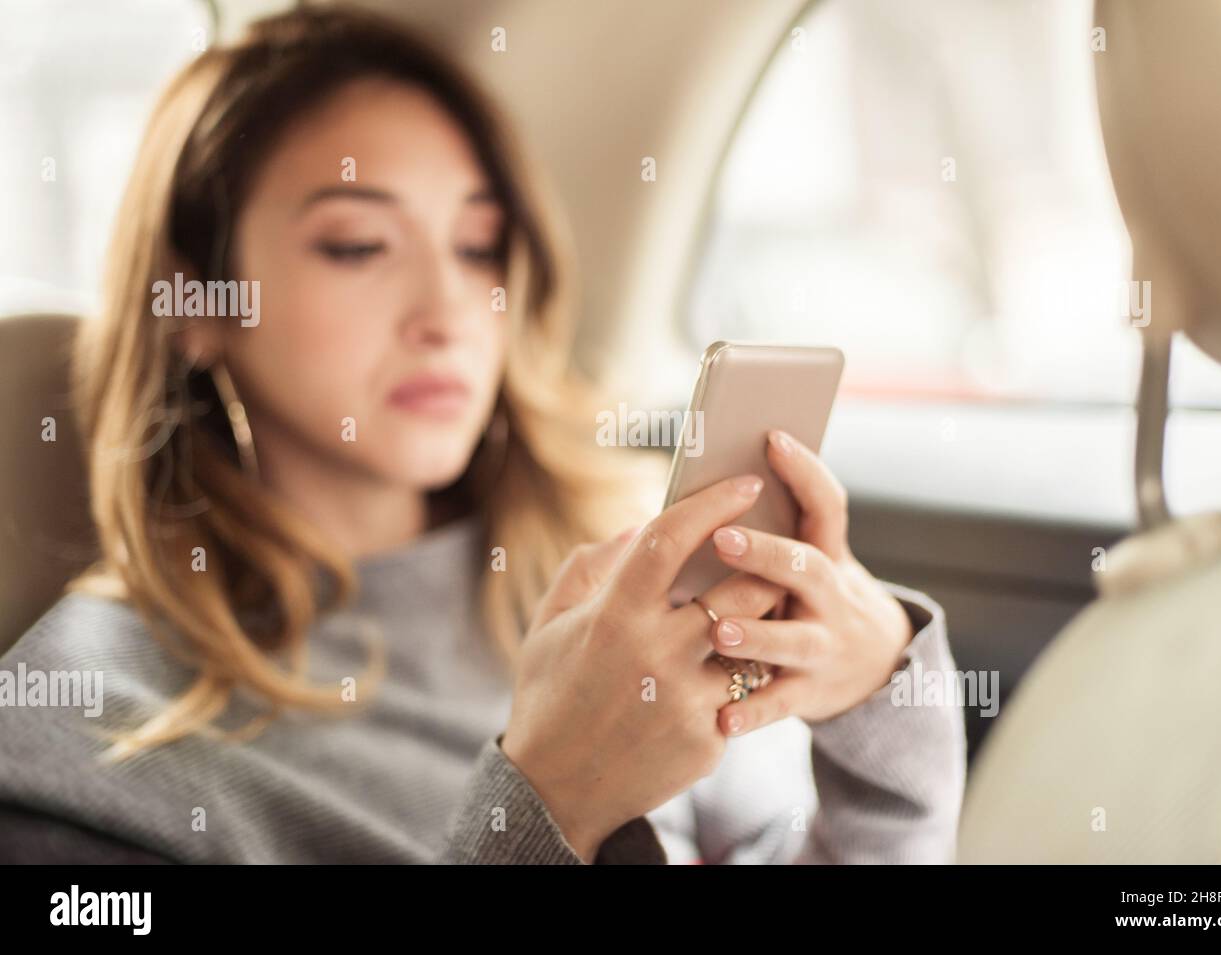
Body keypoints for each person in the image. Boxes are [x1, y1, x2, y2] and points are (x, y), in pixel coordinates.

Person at [0, 5, 965, 864]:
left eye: (476, 247)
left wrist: (877, 699)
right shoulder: (75, 729)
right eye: (357, 245)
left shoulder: (624, 575)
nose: (448, 312)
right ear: (195, 302)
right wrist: (547, 805)